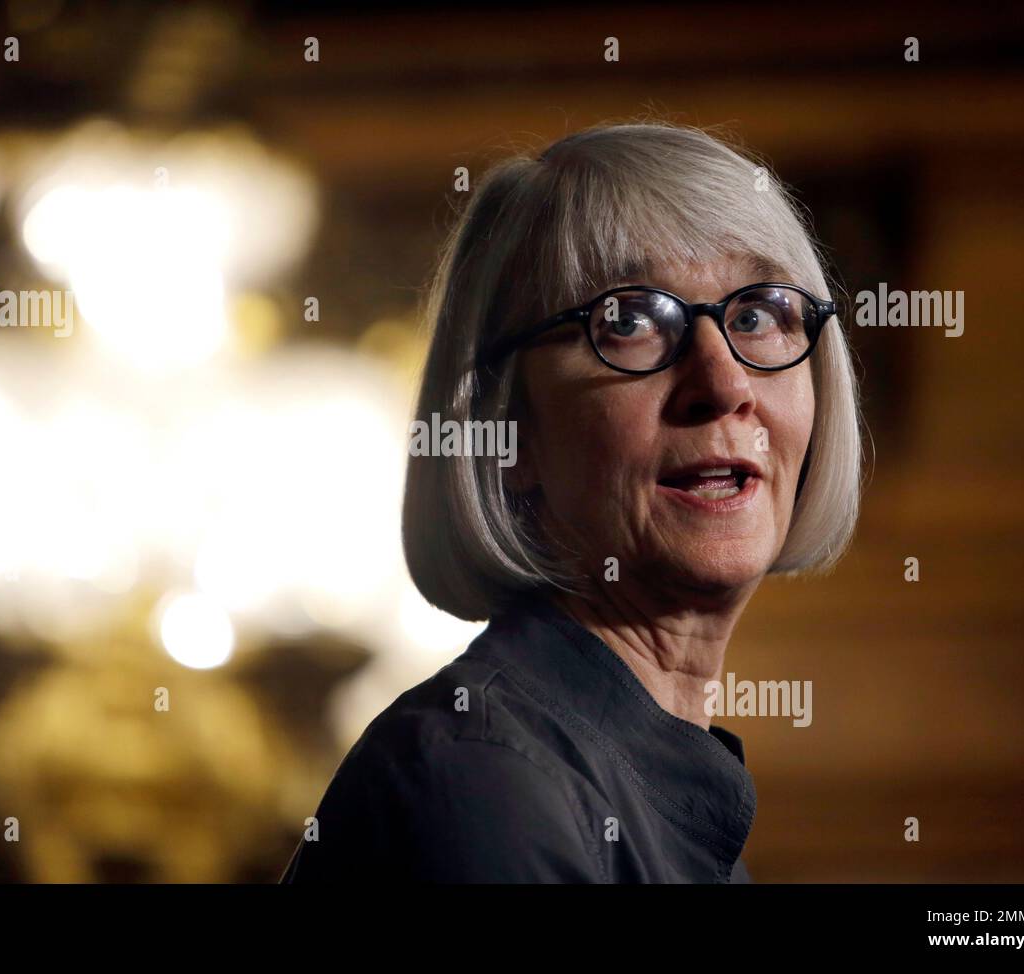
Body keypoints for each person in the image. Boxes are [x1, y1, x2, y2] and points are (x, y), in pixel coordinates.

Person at [281, 120, 863, 883]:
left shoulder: (650, 801)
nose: (724, 385)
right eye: (628, 323)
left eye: (756, 315)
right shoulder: (477, 778)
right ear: (508, 433)